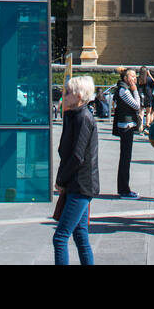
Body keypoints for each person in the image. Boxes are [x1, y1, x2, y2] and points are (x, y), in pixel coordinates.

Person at [53, 74, 99, 265]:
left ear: (80, 95)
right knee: (80, 235)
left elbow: (77, 156)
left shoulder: (83, 118)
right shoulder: (75, 116)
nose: (64, 96)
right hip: (77, 183)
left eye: (68, 92)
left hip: (80, 185)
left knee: (60, 237)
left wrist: (61, 181)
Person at [112, 68, 142, 198]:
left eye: (135, 76)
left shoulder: (123, 89)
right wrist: (135, 89)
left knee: (126, 158)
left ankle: (124, 188)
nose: (134, 79)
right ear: (126, 78)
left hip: (127, 125)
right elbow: (137, 105)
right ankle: (124, 190)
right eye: (132, 76)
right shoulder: (124, 90)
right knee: (125, 158)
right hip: (126, 126)